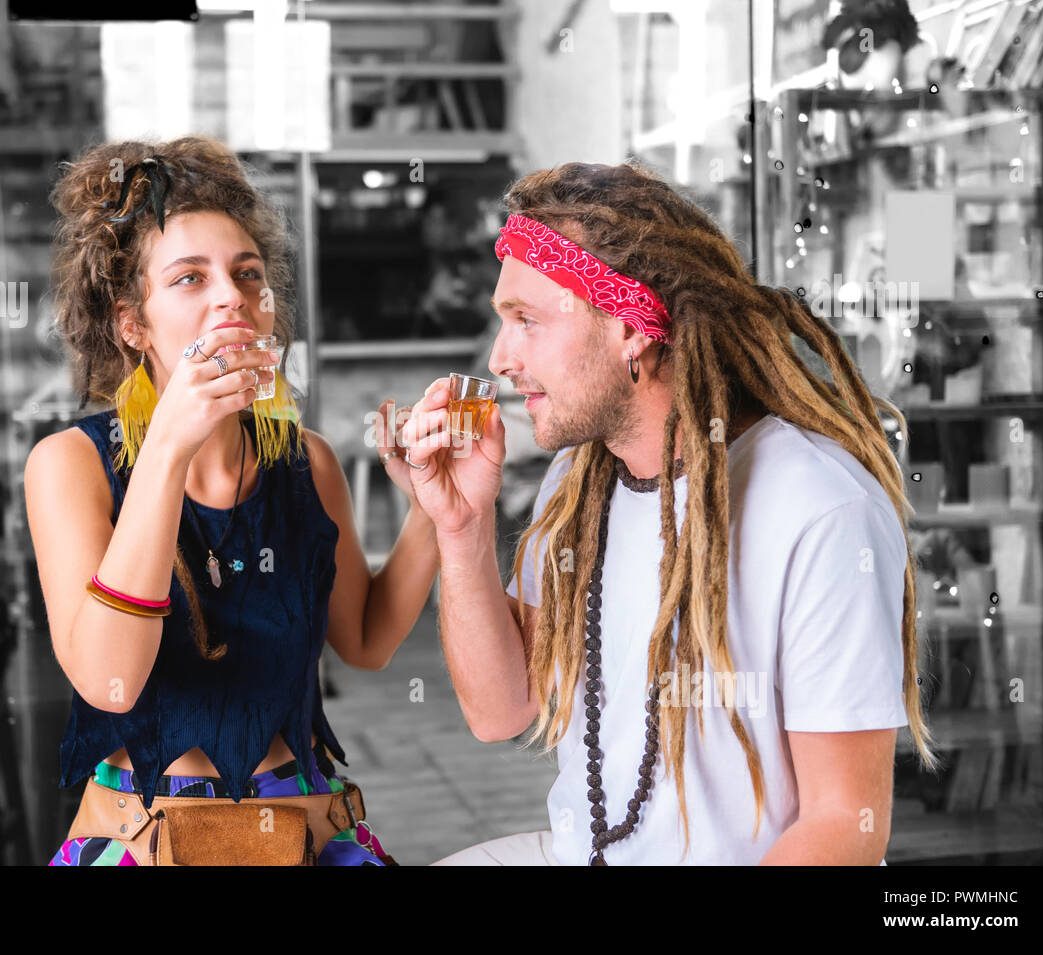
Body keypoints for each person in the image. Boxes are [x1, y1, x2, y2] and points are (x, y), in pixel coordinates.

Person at [400, 159, 939, 865]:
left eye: (527, 321)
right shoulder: (576, 484)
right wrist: (462, 526)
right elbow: (499, 710)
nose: (500, 358)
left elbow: (847, 824)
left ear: (630, 327)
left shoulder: (820, 509)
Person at [26, 136, 436, 865]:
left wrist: (436, 507)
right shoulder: (70, 465)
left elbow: (366, 640)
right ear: (132, 324)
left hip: (312, 837)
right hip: (143, 842)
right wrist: (168, 448)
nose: (232, 296)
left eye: (247, 274)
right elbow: (110, 682)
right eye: (190, 278)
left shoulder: (307, 461)